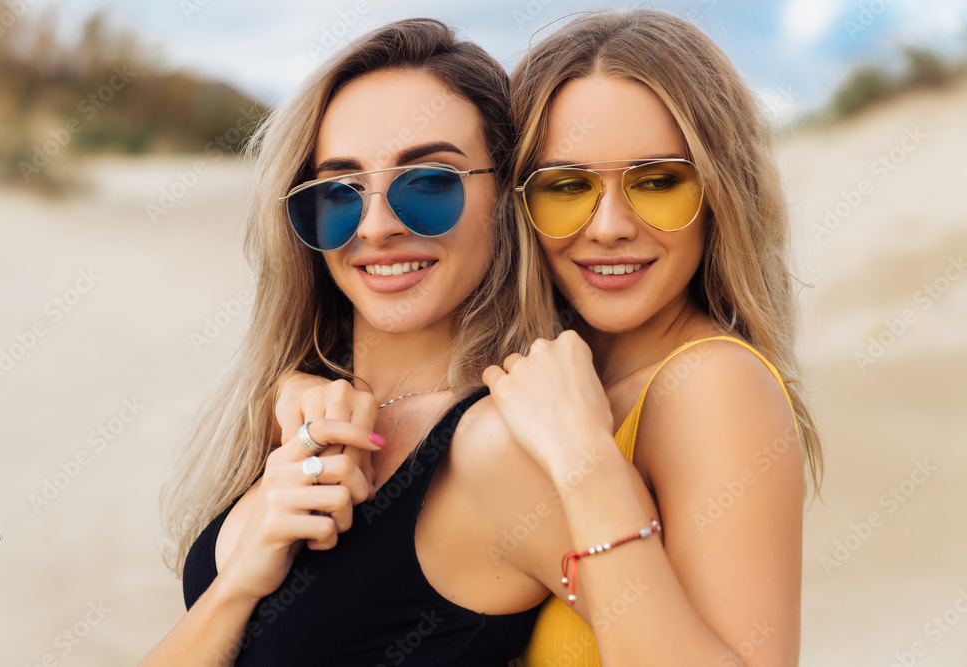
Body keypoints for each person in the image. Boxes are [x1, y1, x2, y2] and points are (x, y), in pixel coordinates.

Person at [274, 8, 823, 666]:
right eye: (566, 186)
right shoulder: (551, 381)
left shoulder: (710, 386)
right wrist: (307, 386)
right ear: (517, 204)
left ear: (722, 193)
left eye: (657, 181)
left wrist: (587, 466)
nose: (610, 225)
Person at [143, 18, 562, 666]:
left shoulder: (499, 450)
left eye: (429, 180)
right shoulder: (299, 404)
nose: (376, 225)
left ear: (506, 195)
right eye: (339, 191)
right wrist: (239, 584)